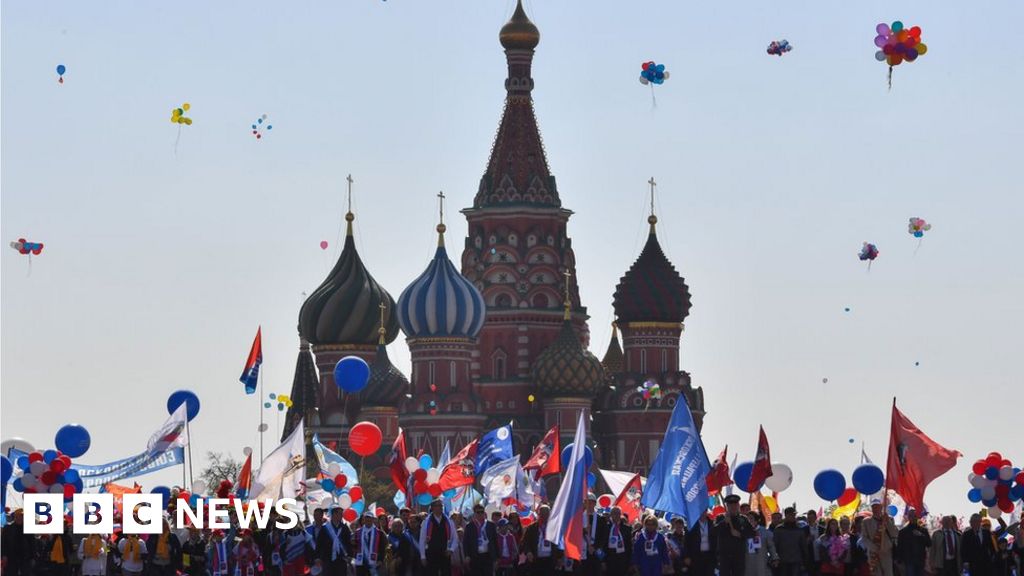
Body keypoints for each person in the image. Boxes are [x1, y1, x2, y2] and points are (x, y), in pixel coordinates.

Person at [716, 494, 756, 576]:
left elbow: (752, 533)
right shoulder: (720, 518)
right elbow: (714, 532)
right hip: (724, 557)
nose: (733, 507)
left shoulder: (743, 519)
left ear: (738, 505)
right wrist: (724, 522)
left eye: (735, 505)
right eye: (731, 505)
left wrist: (740, 535)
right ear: (727, 506)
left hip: (739, 556)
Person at [419, 499, 458, 576]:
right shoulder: (426, 522)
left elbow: (455, 538)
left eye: (441, 506)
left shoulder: (449, 521)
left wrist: (451, 550)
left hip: (445, 553)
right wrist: (423, 556)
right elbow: (422, 540)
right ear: (433, 508)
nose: (440, 507)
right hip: (431, 553)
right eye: (437, 506)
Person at [861, 500, 897, 576]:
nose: (875, 508)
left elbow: (895, 534)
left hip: (886, 552)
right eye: (873, 507)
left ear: (881, 507)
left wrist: (887, 522)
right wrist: (873, 547)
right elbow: (864, 538)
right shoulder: (866, 521)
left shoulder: (889, 519)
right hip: (873, 553)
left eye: (877, 506)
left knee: (888, 573)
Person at [463, 504, 498, 576]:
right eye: (478, 512)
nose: (480, 514)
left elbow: (495, 541)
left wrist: (497, 557)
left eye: (482, 512)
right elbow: (466, 542)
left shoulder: (490, 525)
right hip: (475, 556)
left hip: (488, 555)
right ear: (474, 513)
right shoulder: (469, 526)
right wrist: (467, 555)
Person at [895, 508, 931, 576]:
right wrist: (899, 559)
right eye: (911, 516)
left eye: (915, 516)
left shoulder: (923, 530)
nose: (913, 517)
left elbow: (929, 543)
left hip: (920, 560)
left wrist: (921, 535)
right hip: (908, 561)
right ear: (908, 517)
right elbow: (900, 546)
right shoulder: (903, 532)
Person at [1, 509, 37, 576]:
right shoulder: (8, 528)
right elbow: (3, 543)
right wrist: (4, 555)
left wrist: (33, 557)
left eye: (21, 516)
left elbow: (33, 544)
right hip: (11, 557)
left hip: (25, 558)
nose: (19, 518)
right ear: (14, 517)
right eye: (17, 516)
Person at [773, 507, 807, 576]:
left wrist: (805, 561)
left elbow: (803, 546)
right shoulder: (779, 529)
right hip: (783, 561)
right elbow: (774, 546)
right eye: (791, 515)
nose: (793, 516)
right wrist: (775, 559)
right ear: (786, 515)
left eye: (794, 515)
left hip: (796, 561)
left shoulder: (799, 529)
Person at [523, 505, 556, 576]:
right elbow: (525, 542)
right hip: (536, 560)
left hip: (550, 560)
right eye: (542, 514)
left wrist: (560, 557)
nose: (544, 516)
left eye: (546, 514)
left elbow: (559, 543)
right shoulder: (532, 528)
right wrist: (528, 552)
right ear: (539, 514)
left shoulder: (554, 527)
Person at [353, 511, 387, 576]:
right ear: (364, 520)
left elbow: (382, 548)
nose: (368, 520)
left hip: (375, 563)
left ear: (373, 519)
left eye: (370, 518)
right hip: (361, 563)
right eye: (366, 518)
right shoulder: (357, 532)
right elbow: (355, 546)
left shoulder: (379, 533)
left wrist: (380, 560)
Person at [685, 509, 718, 576]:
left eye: (704, 511)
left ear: (706, 512)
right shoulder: (691, 525)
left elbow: (717, 540)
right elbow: (686, 542)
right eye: (700, 512)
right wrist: (687, 556)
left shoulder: (713, 524)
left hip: (710, 556)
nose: (702, 514)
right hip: (696, 557)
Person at [580, 493, 607, 573]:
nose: (589, 504)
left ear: (595, 503)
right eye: (587, 502)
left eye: (591, 502)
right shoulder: (579, 518)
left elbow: (603, 536)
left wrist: (594, 547)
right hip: (583, 551)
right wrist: (583, 530)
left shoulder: (601, 519)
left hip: (596, 551)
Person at [605, 506, 634, 575]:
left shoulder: (627, 528)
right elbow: (603, 545)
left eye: (618, 513)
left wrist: (630, 562)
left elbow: (629, 546)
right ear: (611, 514)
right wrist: (602, 561)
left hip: (623, 560)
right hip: (609, 560)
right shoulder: (606, 527)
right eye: (614, 513)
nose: (616, 515)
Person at [745, 511, 777, 576]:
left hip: (762, 563)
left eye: (751, 518)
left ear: (756, 520)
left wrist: (774, 558)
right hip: (748, 564)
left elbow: (771, 547)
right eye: (747, 519)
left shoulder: (765, 532)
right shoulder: (743, 533)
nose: (749, 521)